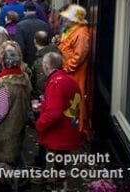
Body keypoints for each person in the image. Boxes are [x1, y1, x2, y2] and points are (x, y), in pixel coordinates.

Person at [33, 52, 82, 181]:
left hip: (57, 134)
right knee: (61, 166)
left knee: (54, 168)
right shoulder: (70, 80)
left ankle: (54, 184)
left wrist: (39, 124)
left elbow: (54, 113)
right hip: (68, 130)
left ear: (46, 66)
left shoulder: (56, 83)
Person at [0, 48, 31, 165]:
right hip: (18, 126)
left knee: (4, 165)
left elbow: (0, 113)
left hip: (3, 135)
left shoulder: (4, 85)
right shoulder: (24, 78)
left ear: (3, 63)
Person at [56, 4, 91, 140]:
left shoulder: (81, 34)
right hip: (69, 72)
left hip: (75, 74)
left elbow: (79, 56)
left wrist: (66, 68)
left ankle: (77, 128)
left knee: (76, 98)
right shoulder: (72, 30)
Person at [14, 0, 51, 66]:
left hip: (28, 62)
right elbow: (49, 43)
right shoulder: (45, 25)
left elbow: (20, 47)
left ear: (26, 11)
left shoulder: (20, 26)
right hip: (44, 62)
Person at [31, 30, 58, 99]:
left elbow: (41, 83)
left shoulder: (41, 61)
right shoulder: (56, 53)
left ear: (35, 41)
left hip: (46, 96)